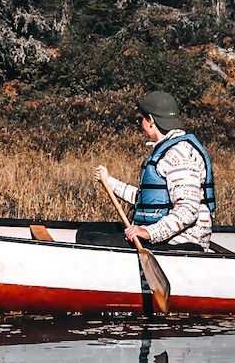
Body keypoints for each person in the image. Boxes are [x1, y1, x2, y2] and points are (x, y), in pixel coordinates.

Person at [79, 91, 215, 251]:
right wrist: (109, 182)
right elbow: (144, 198)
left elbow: (187, 211)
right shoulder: (167, 149)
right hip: (165, 237)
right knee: (86, 231)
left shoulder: (181, 154)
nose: (140, 125)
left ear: (150, 120)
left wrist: (148, 232)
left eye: (141, 119)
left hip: (183, 242)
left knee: (91, 239)